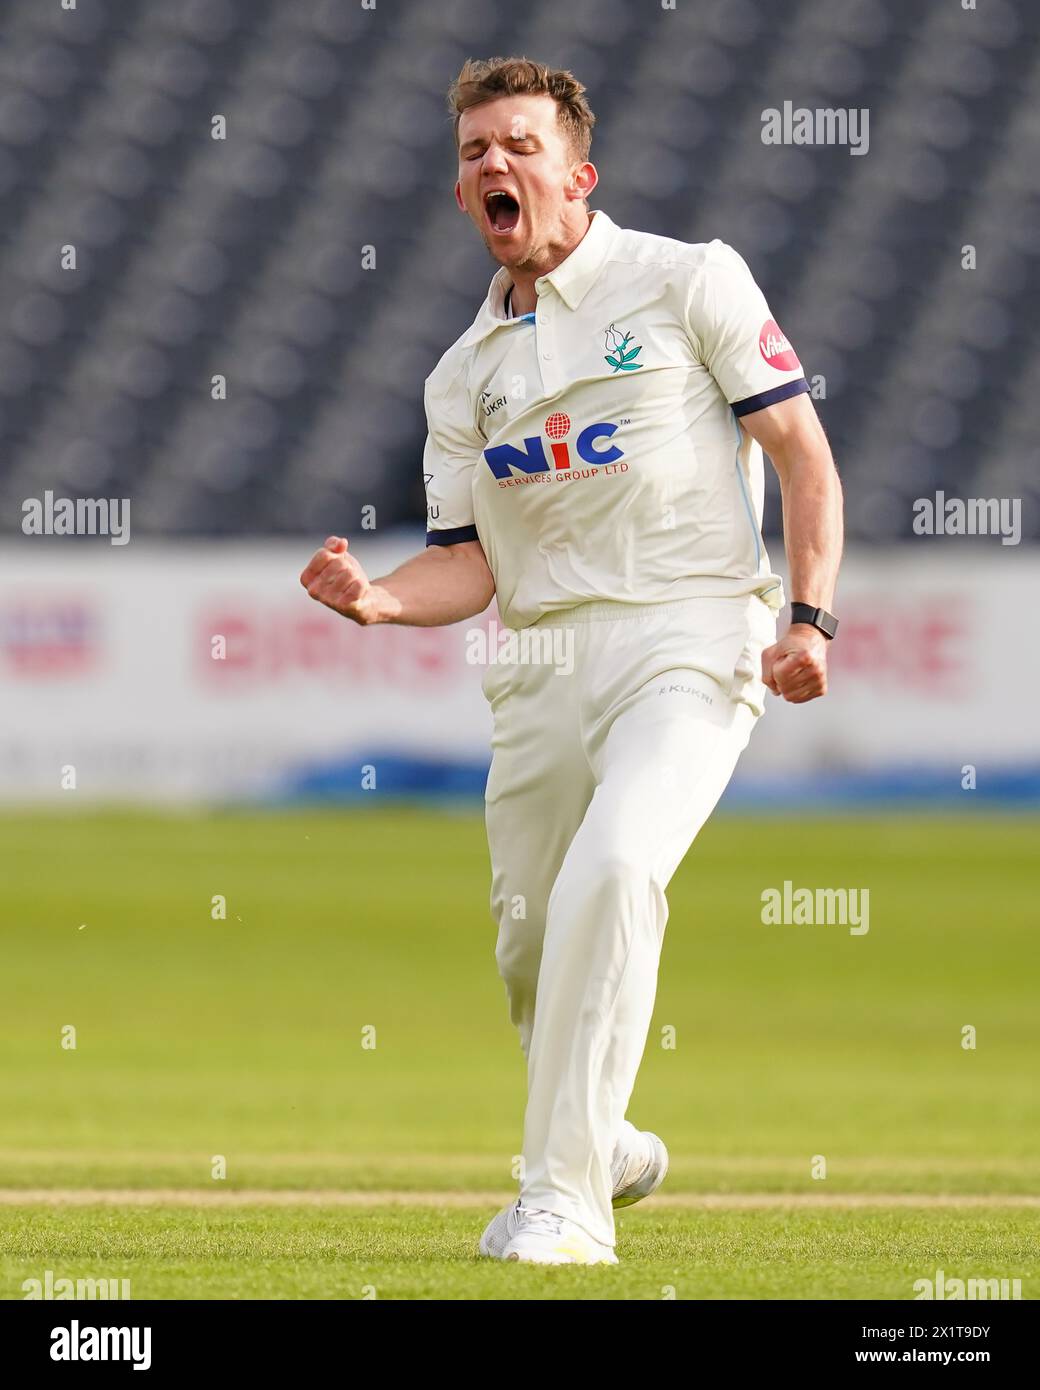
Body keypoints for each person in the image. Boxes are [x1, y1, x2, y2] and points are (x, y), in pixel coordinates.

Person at [300, 56, 843, 1265]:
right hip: (541, 662)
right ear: (458, 198)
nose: (494, 163)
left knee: (614, 872)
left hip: (686, 640)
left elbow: (803, 458)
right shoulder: (461, 377)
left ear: (576, 171)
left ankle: (563, 1204)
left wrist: (806, 619)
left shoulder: (686, 279)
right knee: (529, 952)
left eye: (518, 145)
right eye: (473, 152)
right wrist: (381, 600)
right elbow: (468, 564)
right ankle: (604, 1140)